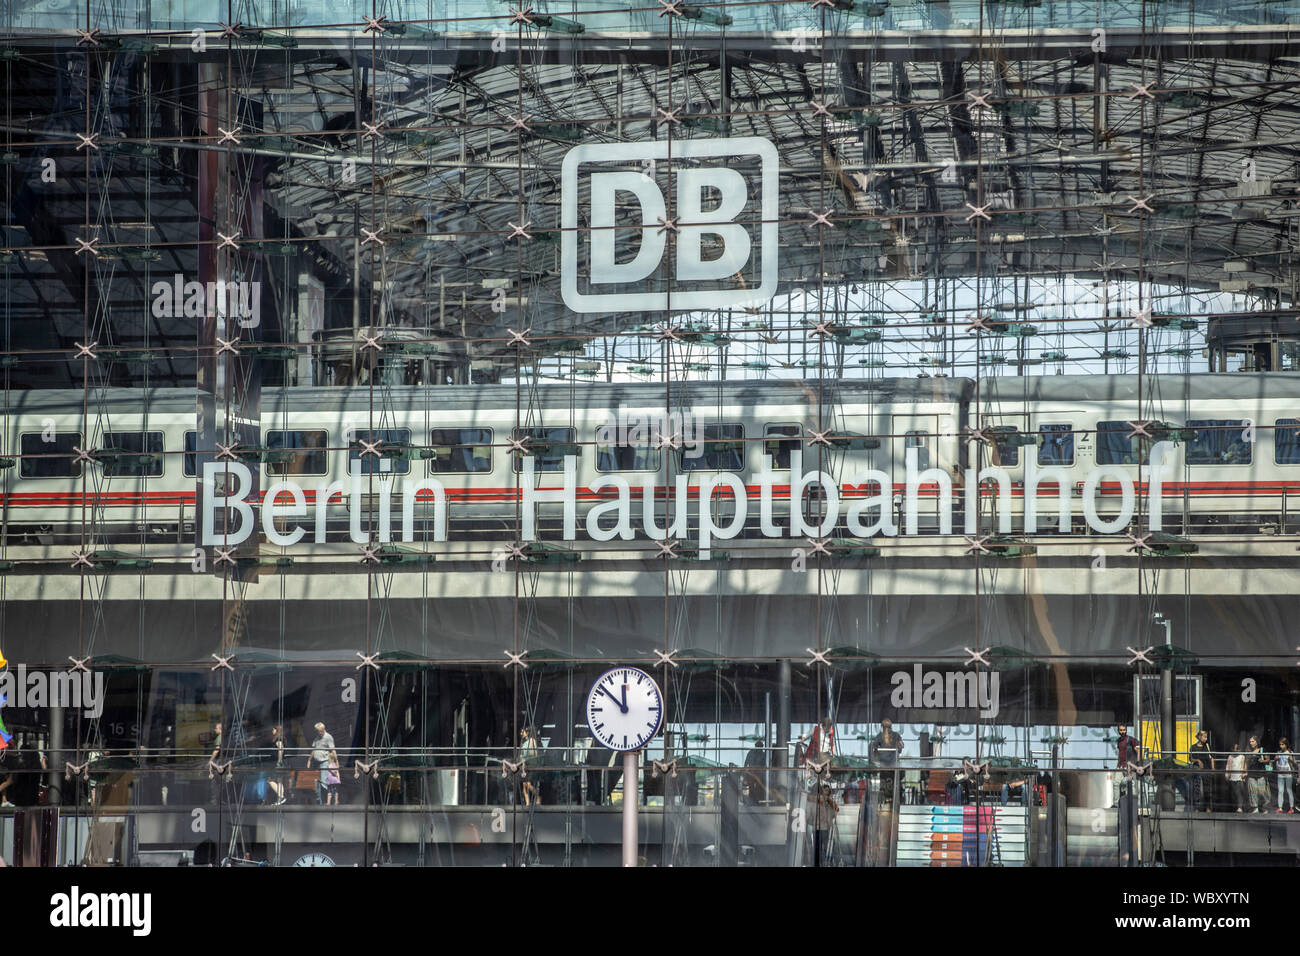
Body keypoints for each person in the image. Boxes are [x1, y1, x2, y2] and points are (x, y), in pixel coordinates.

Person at [307, 722, 337, 806]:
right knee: (316, 783)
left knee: (324, 782)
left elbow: (333, 750)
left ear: (322, 729)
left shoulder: (328, 737)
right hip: (316, 763)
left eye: (319, 731)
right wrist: (309, 760)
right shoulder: (317, 737)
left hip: (324, 762)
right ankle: (319, 802)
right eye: (316, 731)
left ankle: (331, 800)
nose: (317, 732)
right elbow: (314, 749)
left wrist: (335, 763)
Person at [811, 782, 838, 868]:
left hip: (826, 828)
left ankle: (827, 862)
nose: (826, 793)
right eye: (824, 791)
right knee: (818, 847)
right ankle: (819, 863)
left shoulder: (829, 802)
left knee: (827, 847)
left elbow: (835, 811)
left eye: (827, 791)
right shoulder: (816, 801)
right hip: (817, 828)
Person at [1189, 729, 1214, 812]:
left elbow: (1211, 757)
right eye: (1204, 737)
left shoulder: (1207, 746)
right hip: (1197, 769)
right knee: (1197, 788)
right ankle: (1197, 807)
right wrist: (1197, 760)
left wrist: (1213, 769)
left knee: (1207, 788)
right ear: (1199, 737)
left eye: (1206, 737)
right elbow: (1190, 758)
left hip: (1206, 769)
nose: (1206, 739)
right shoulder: (1193, 747)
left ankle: (1208, 807)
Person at [1246, 736, 1270, 813]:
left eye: (1253, 741)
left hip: (1260, 773)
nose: (1251, 743)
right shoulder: (1249, 751)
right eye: (1250, 741)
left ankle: (1263, 806)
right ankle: (1255, 807)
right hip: (1251, 774)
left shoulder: (1262, 749)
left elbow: (1268, 759)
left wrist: (1262, 761)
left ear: (1257, 741)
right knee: (1253, 792)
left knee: (1262, 791)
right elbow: (1246, 762)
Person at [267, 725, 288, 806]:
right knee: (279, 781)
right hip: (283, 762)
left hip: (279, 763)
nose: (272, 731)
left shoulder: (278, 739)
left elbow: (280, 748)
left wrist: (279, 761)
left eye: (273, 729)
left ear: (277, 730)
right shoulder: (282, 738)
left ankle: (281, 797)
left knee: (269, 780)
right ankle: (281, 799)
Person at [519, 726, 539, 807]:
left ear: (527, 733)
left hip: (530, 765)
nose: (521, 733)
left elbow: (533, 754)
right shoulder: (525, 742)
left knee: (527, 784)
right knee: (524, 785)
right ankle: (527, 803)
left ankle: (537, 797)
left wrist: (524, 757)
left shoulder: (532, 741)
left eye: (522, 732)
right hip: (525, 765)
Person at [743, 740, 767, 805]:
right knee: (754, 787)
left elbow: (746, 763)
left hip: (756, 772)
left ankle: (755, 800)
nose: (760, 748)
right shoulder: (761, 754)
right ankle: (754, 801)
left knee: (756, 787)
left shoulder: (754, 753)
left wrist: (745, 771)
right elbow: (746, 763)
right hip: (755, 772)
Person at [1275, 738, 1296, 813]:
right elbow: (1275, 761)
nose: (1281, 746)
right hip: (1280, 773)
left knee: (1289, 790)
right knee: (1280, 791)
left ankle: (1291, 808)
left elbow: (1294, 763)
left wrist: (1291, 759)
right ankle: (1280, 807)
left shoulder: (1290, 752)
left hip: (1288, 774)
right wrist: (1276, 758)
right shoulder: (1279, 752)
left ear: (1286, 745)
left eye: (1282, 744)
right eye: (1280, 744)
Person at [1225, 745, 1247, 812]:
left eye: (1237, 749)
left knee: (1239, 792)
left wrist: (1244, 773)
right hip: (1232, 776)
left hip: (1239, 777)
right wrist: (1227, 774)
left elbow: (1244, 766)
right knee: (1234, 792)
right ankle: (1236, 807)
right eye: (1234, 749)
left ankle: (1240, 807)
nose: (1236, 751)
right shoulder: (1230, 757)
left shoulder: (1242, 756)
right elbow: (1228, 766)